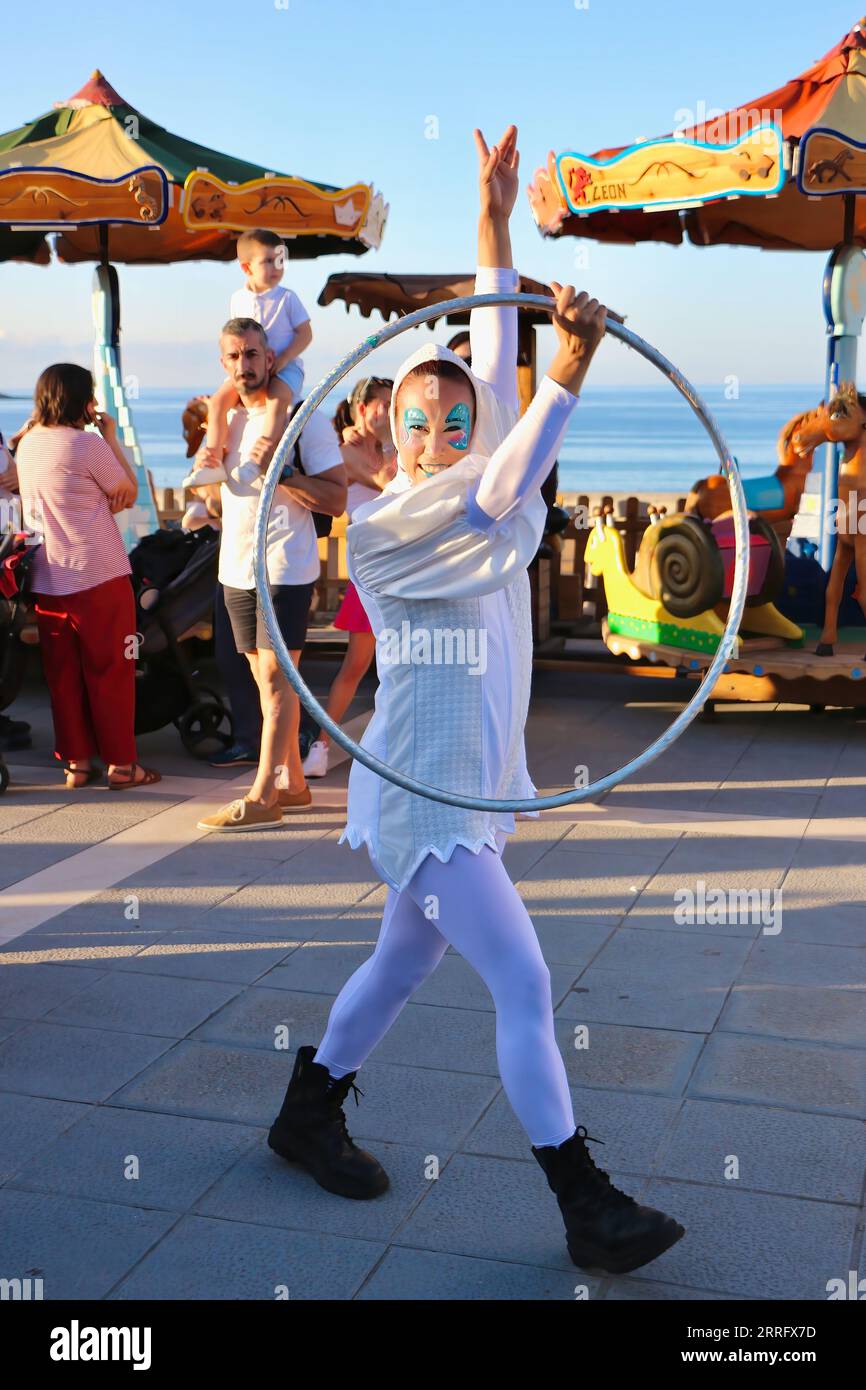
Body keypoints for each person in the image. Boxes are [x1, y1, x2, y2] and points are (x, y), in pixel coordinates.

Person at [266, 125, 685, 1275]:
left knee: (401, 963)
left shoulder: (470, 477)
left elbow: (491, 367)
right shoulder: (400, 525)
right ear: (389, 437)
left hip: (462, 785)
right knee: (525, 979)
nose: (444, 434)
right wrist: (570, 370)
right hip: (422, 791)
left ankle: (307, 1110)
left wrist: (493, 218)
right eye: (420, 423)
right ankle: (583, 1202)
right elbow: (505, 478)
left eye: (455, 423)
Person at [196, 318, 346, 831]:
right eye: (235, 357)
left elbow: (337, 496)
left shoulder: (305, 421)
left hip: (284, 565)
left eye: (253, 354)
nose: (245, 365)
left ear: (270, 358)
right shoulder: (227, 422)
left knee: (278, 679)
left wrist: (283, 474)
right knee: (264, 680)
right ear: (224, 364)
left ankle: (263, 795)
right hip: (235, 567)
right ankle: (296, 786)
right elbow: (219, 497)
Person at [13, 364, 161, 789]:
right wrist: (109, 435)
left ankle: (76, 763)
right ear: (84, 400)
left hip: (47, 577)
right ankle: (122, 765)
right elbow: (128, 492)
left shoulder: (28, 446)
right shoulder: (87, 445)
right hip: (98, 574)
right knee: (112, 671)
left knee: (62, 676)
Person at [303, 377, 396, 779]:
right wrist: (394, 444)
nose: (391, 413)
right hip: (372, 572)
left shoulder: (383, 450)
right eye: (384, 405)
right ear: (362, 409)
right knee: (357, 664)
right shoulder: (345, 452)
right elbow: (393, 485)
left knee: (405, 663)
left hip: (401, 568)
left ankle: (394, 746)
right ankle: (320, 746)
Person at [186, 229, 313, 487]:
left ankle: (260, 457)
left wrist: (286, 357)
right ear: (246, 268)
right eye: (268, 261)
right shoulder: (238, 299)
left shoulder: (287, 298)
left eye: (280, 260)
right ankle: (213, 459)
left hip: (283, 368)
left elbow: (305, 333)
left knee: (278, 401)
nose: (277, 267)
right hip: (249, 370)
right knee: (219, 402)